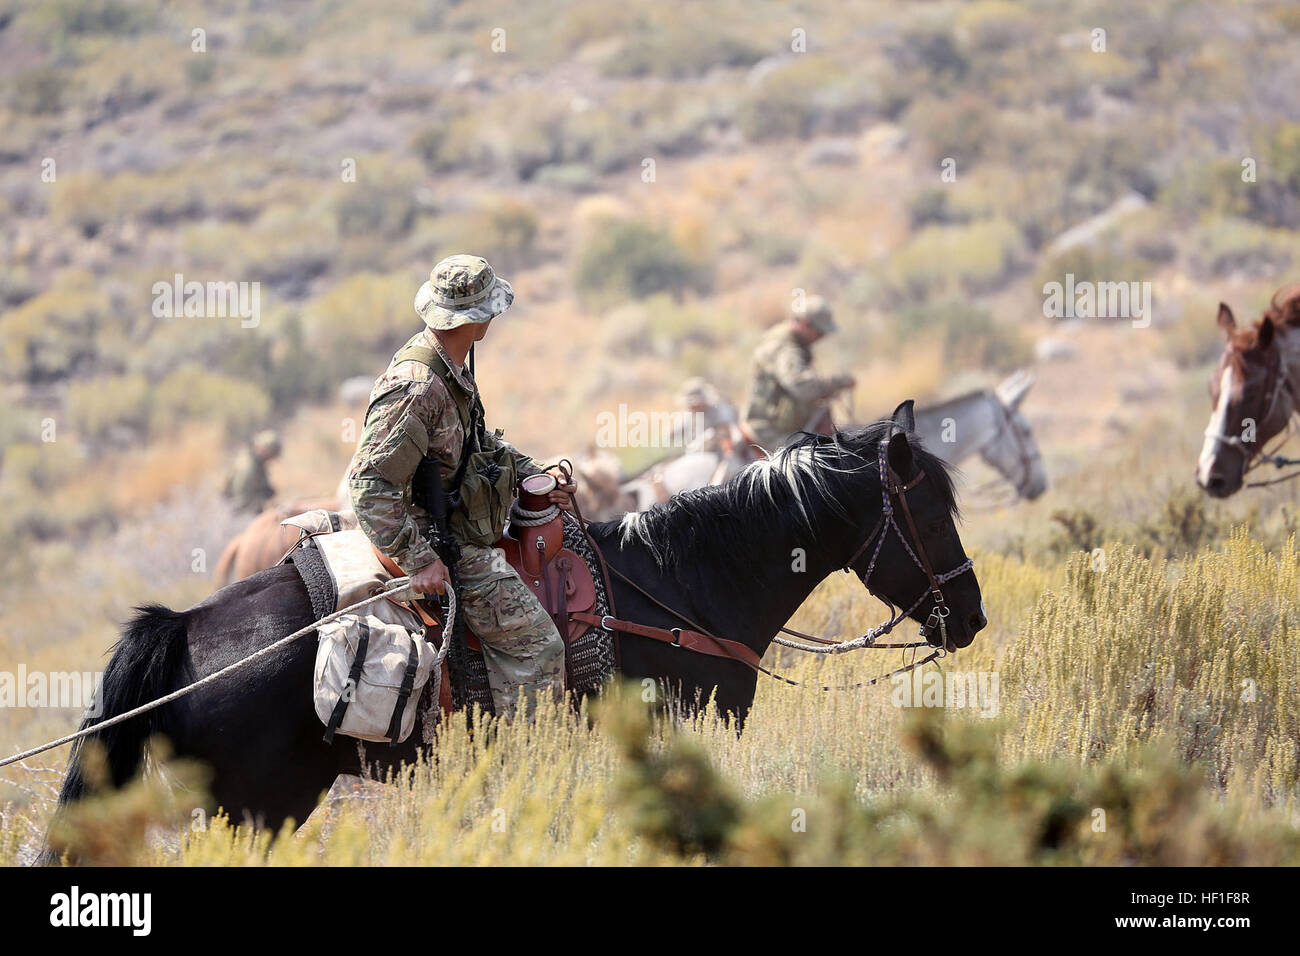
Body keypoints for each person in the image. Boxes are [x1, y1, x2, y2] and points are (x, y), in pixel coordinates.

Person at [347, 254, 573, 719]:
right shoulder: (418, 386)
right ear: (480, 318)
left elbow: (473, 446)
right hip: (438, 542)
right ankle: (529, 767)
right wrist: (421, 560)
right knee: (538, 647)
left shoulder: (452, 366)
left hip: (452, 527)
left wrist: (537, 472)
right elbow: (370, 484)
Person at [740, 295, 855, 452]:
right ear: (805, 325)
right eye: (820, 333)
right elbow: (802, 387)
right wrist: (837, 383)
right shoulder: (784, 348)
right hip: (769, 432)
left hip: (784, 425)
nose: (821, 338)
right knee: (821, 454)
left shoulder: (792, 342)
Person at [223, 429, 280, 514]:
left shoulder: (257, 461)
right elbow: (242, 501)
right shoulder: (247, 468)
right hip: (236, 512)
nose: (270, 459)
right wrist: (261, 501)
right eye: (270, 455)